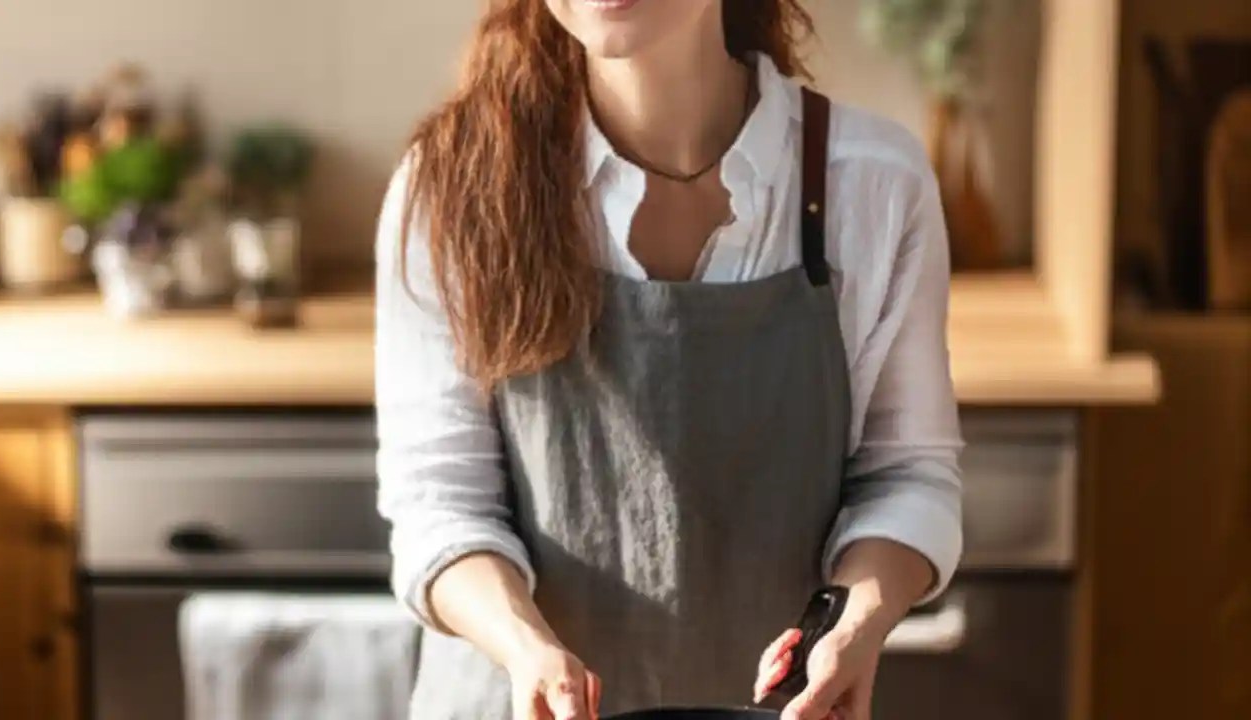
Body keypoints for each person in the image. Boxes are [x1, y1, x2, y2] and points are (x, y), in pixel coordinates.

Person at [376, 1, 963, 718]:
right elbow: (440, 505)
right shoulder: (450, 188)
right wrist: (526, 645)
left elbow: (906, 477)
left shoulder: (872, 184)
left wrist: (858, 619)